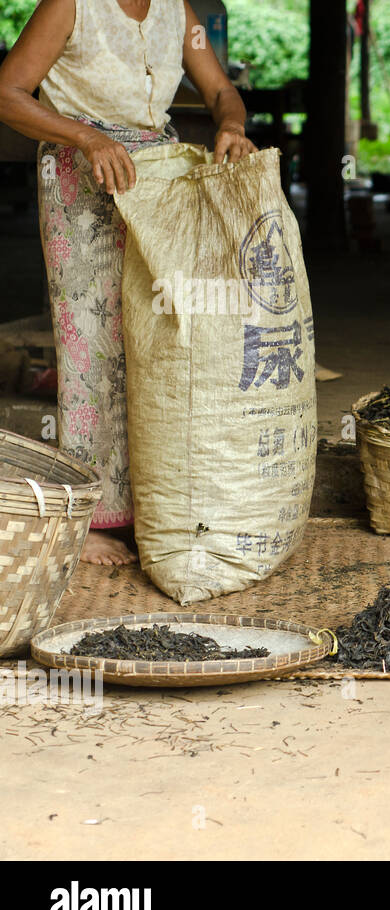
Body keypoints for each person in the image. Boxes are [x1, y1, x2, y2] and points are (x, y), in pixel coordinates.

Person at [0, 0, 256, 565]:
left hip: (152, 182)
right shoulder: (71, 5)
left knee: (156, 338)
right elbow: (8, 93)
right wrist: (86, 138)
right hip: (79, 177)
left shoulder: (175, 10)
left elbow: (218, 91)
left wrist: (232, 126)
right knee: (90, 347)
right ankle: (86, 514)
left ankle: (152, 504)